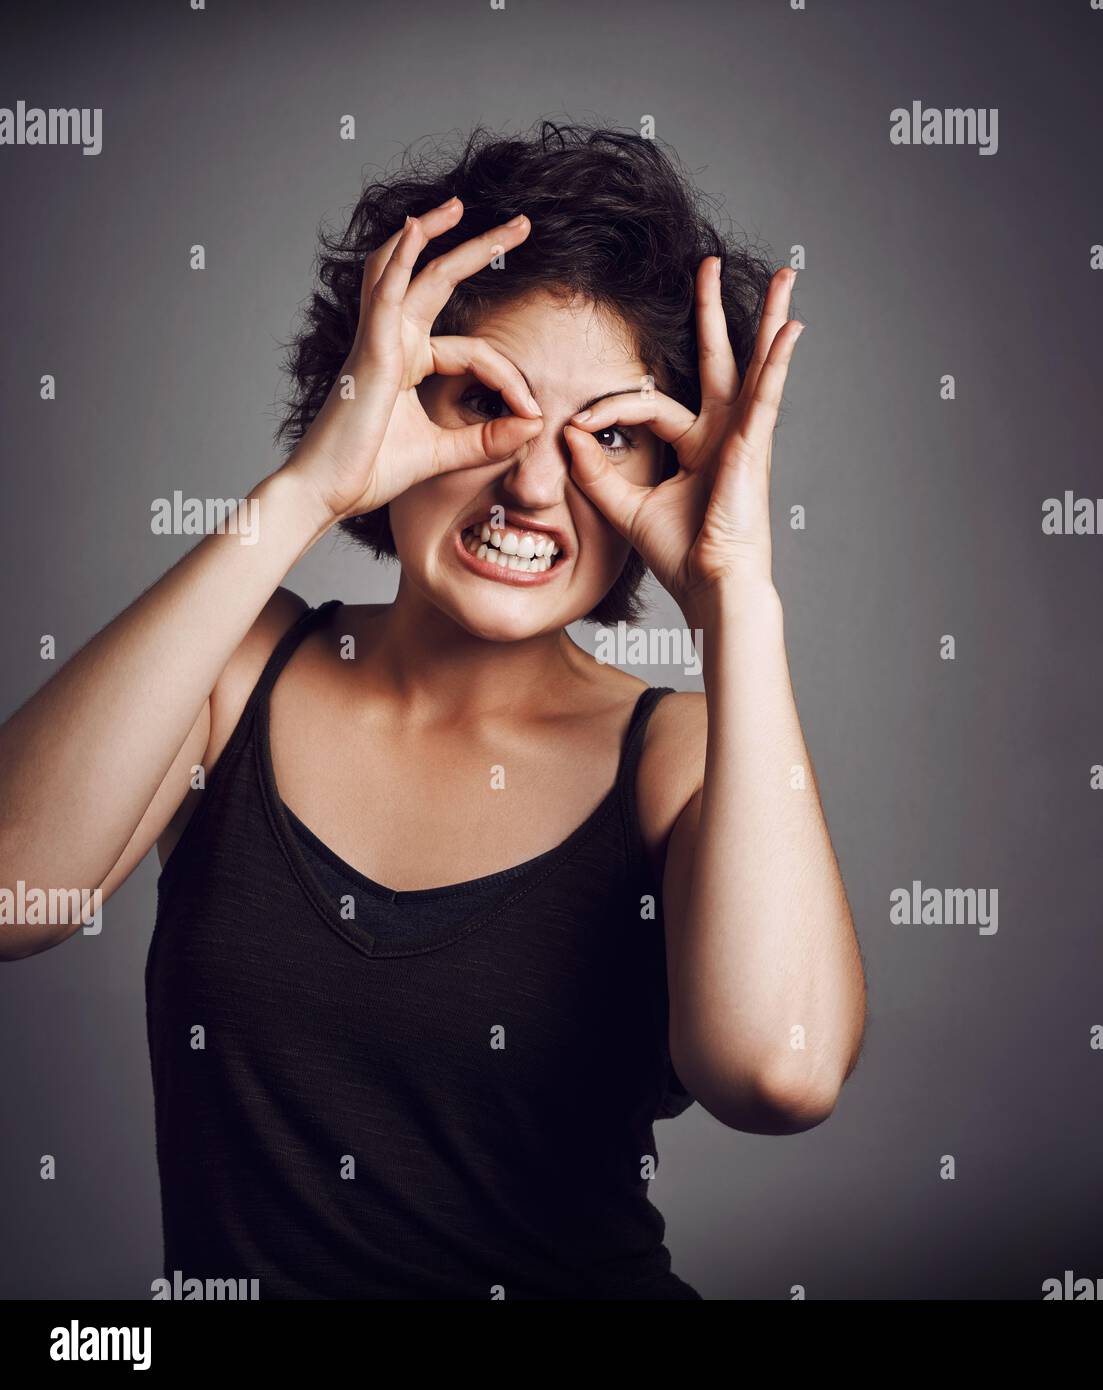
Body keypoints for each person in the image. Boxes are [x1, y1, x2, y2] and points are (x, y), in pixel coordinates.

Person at [0, 122, 866, 1299]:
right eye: (483, 400)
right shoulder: (241, 668)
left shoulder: (679, 756)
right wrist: (307, 487)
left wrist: (735, 601)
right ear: (390, 396)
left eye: (611, 434)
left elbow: (782, 1073)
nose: (536, 481)